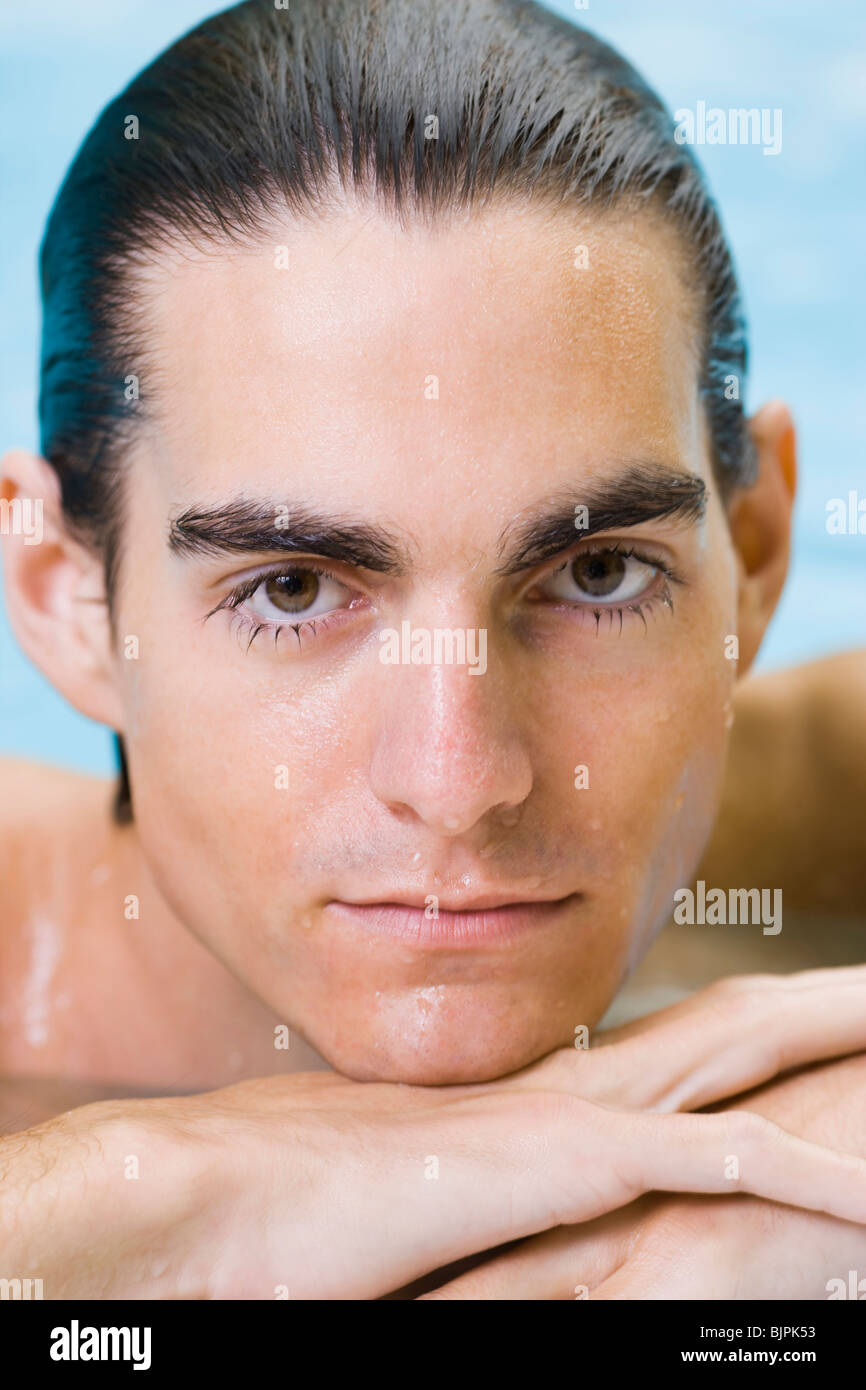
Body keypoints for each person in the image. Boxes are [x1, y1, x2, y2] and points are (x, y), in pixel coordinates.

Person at [1, 0, 863, 1300]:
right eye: (293, 588)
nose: (460, 780)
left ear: (749, 555)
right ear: (66, 597)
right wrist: (154, 1188)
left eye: (592, 573)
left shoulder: (790, 827)